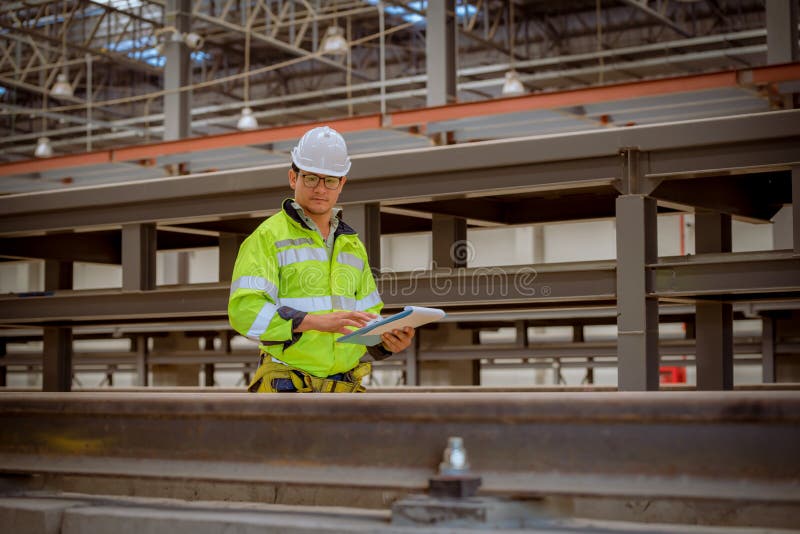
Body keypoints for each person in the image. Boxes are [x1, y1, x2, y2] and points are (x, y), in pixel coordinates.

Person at [228, 126, 415, 393]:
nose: (320, 189)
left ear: (342, 184)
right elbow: (244, 312)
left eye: (330, 180)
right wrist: (315, 322)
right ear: (294, 178)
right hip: (287, 386)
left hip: (343, 387)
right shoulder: (267, 238)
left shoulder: (352, 246)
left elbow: (365, 318)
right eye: (311, 178)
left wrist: (387, 340)